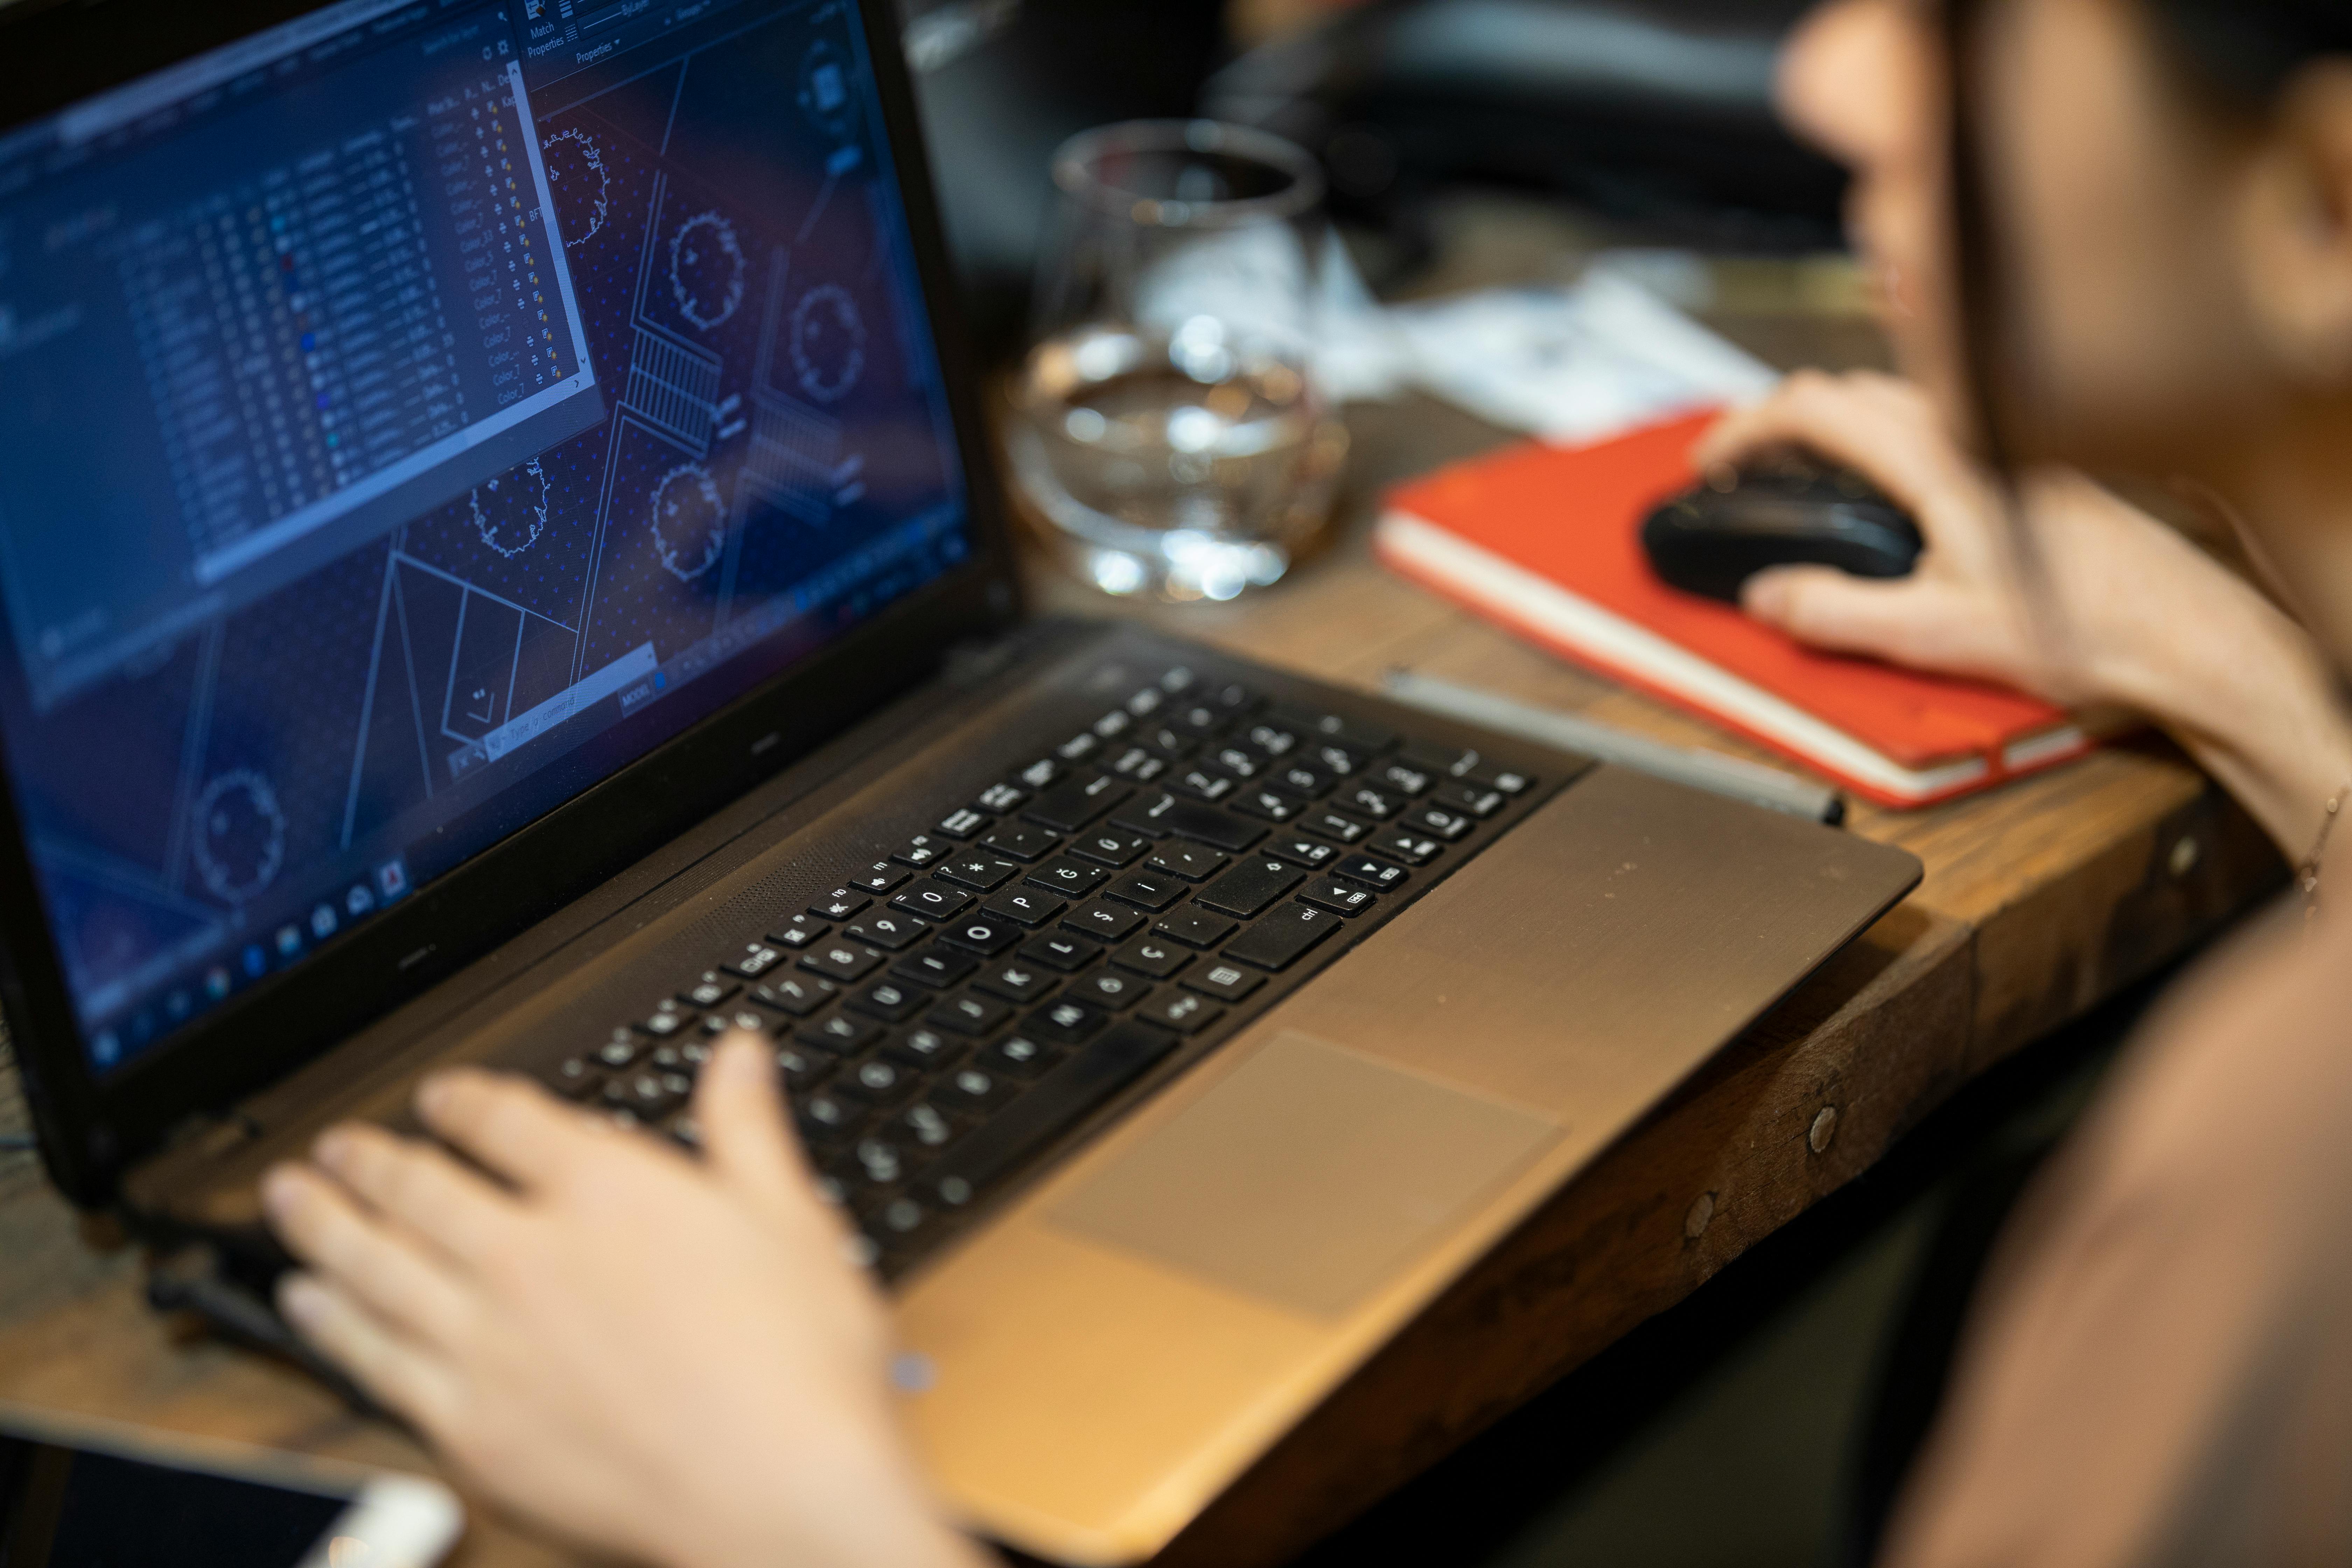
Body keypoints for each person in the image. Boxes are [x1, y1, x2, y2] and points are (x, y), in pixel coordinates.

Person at [258, 0, 2352, 1563]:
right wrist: (2237, 671)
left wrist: (799, 1509)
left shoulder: (2281, 1160)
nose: (1830, 79)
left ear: (2323, 207)